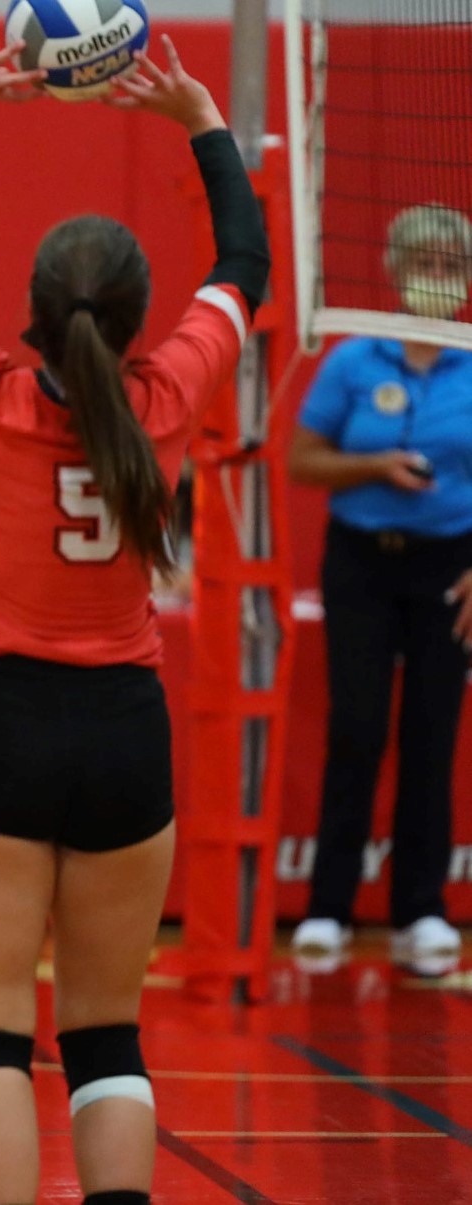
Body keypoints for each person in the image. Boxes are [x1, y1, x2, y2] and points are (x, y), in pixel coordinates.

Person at [0, 31, 268, 1205]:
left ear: (35, 313)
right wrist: (197, 114)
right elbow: (244, 260)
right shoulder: (174, 388)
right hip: (122, 728)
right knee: (105, 1034)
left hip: (0, 716)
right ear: (137, 315)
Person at [286, 202, 472, 975]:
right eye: (422, 266)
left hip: (448, 567)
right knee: (356, 726)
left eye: (448, 267)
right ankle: (328, 907)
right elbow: (302, 460)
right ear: (395, 273)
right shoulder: (353, 359)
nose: (434, 279)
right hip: (360, 557)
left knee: (433, 731)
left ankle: (419, 911)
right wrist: (372, 468)